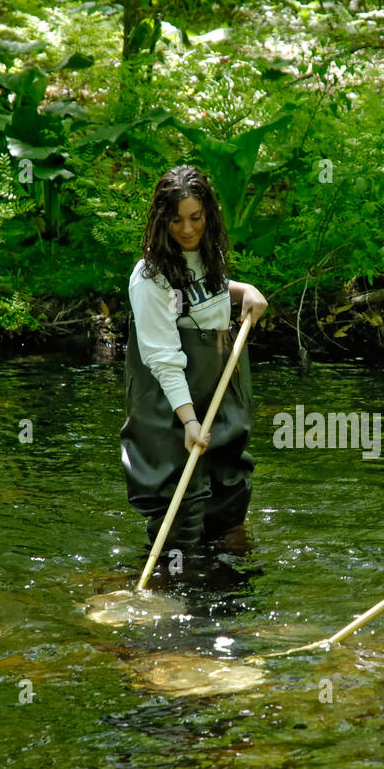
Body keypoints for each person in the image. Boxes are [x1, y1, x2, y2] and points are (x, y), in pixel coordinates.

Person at [120, 165, 267, 550]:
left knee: (229, 495)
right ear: (160, 221)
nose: (187, 230)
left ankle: (226, 593)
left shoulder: (208, 252)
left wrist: (243, 290)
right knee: (180, 509)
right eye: (176, 221)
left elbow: (210, 291)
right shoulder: (149, 277)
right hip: (169, 405)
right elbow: (164, 357)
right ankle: (170, 593)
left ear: (208, 215)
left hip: (218, 388)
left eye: (195, 218)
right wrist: (188, 421)